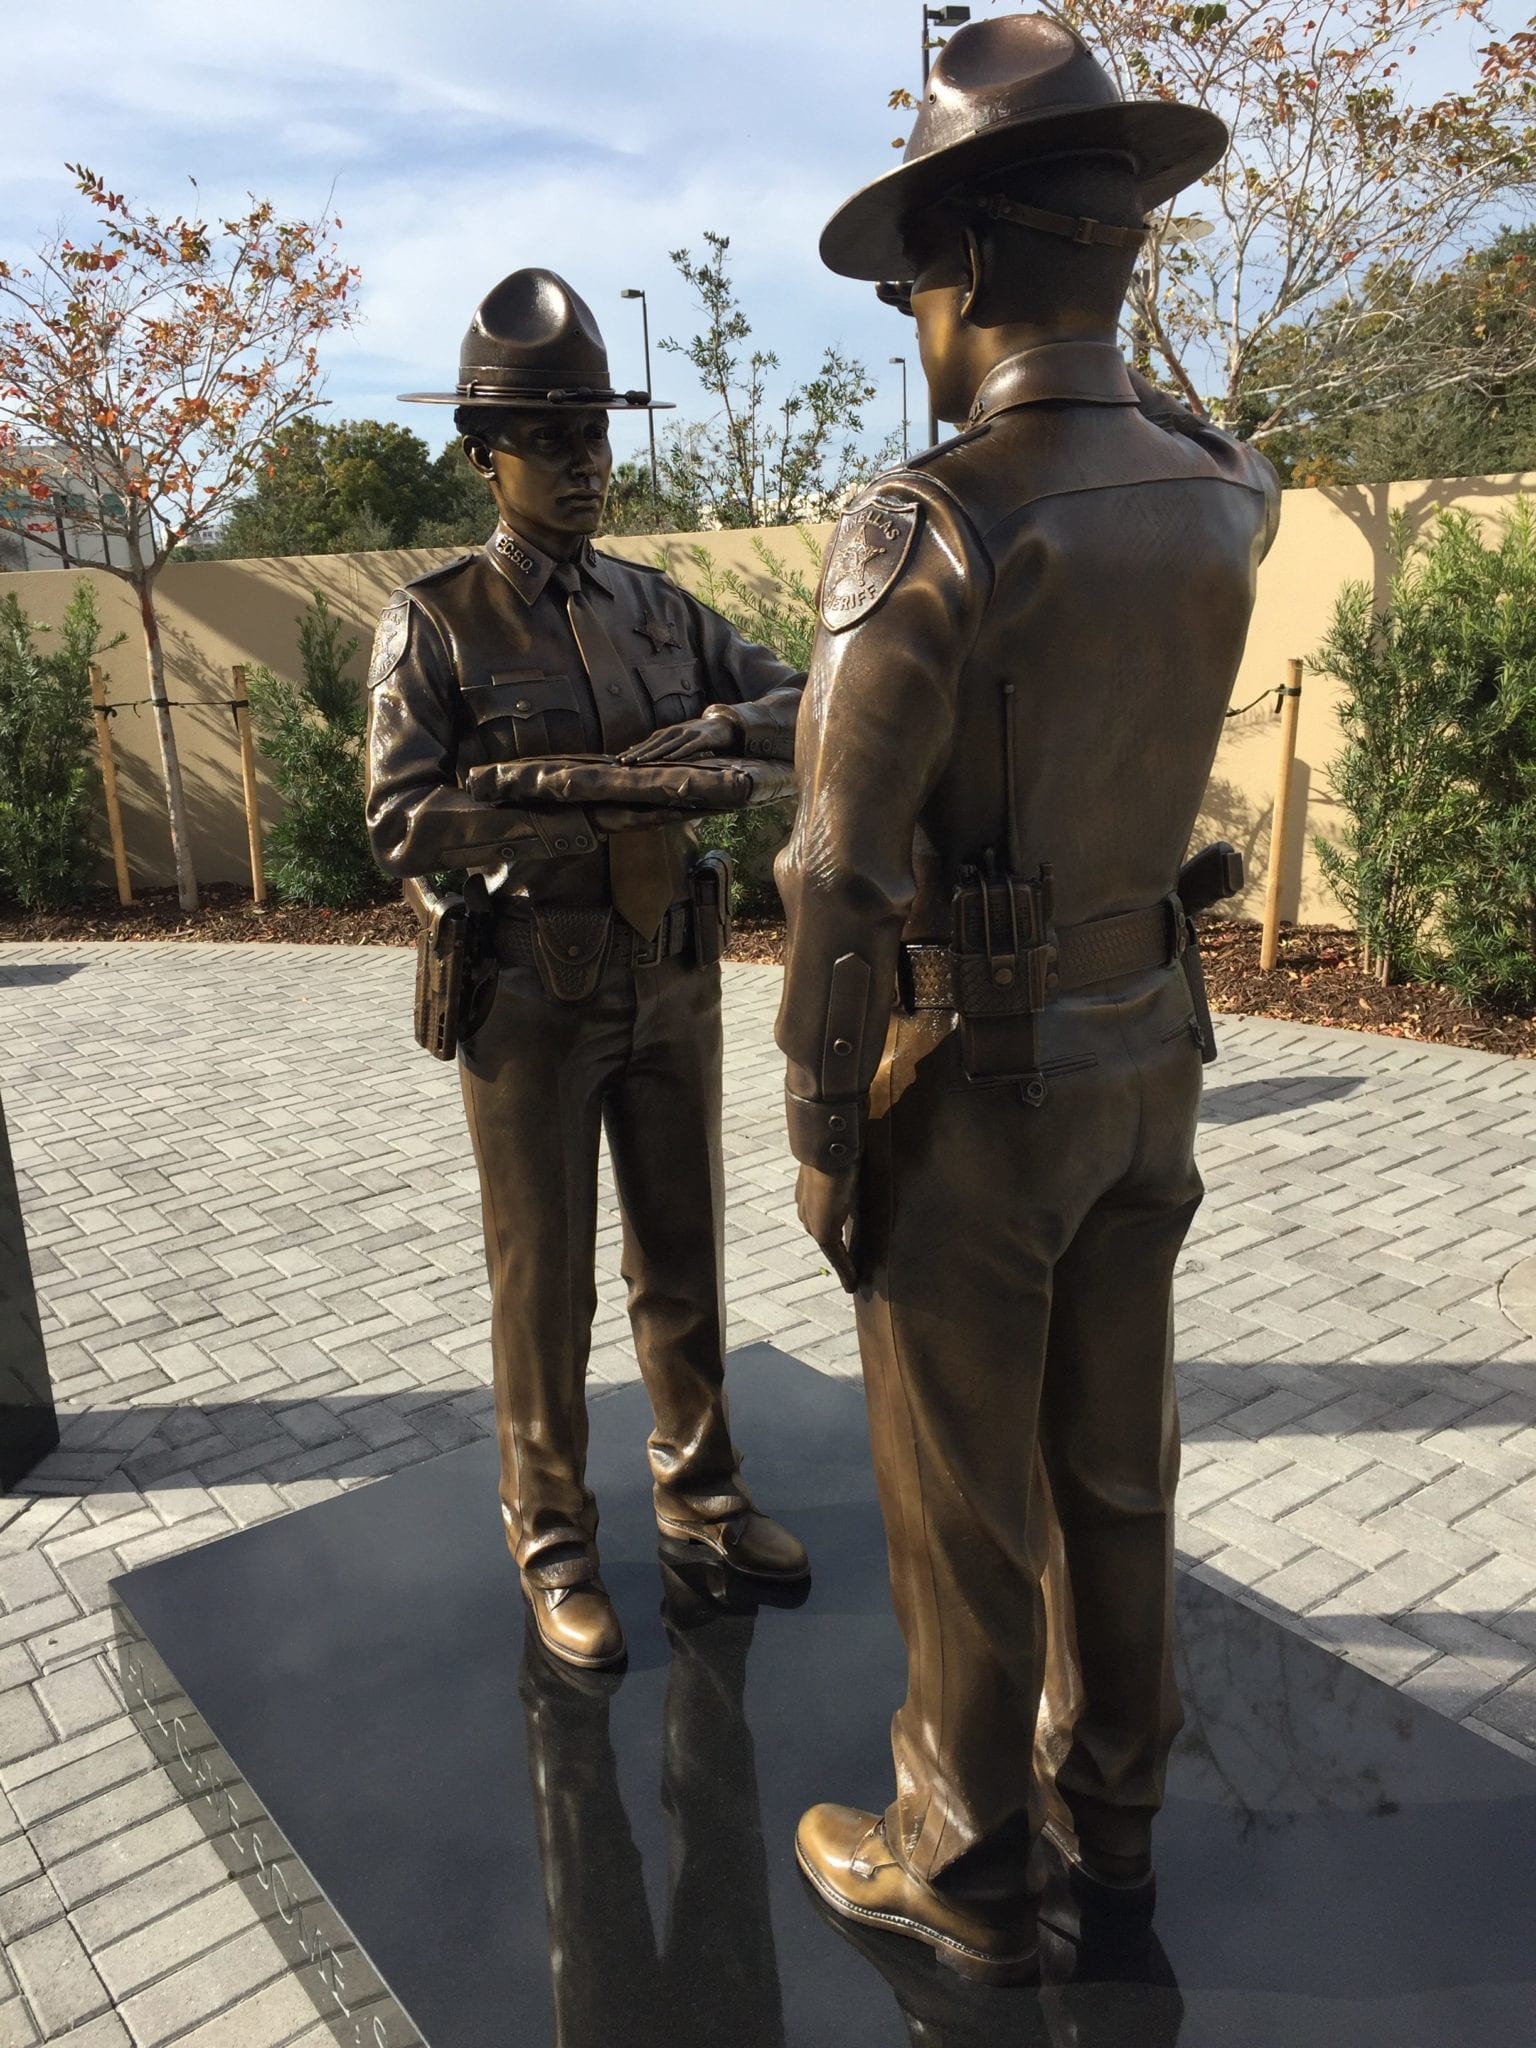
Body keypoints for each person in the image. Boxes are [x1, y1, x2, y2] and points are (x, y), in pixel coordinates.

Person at [779, 15, 1280, 1982]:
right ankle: (1118, 1820)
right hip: (1151, 1053)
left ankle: (965, 1851)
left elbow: (836, 873)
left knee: (965, 1492)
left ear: (966, 261)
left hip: (972, 1082)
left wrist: (830, 1133)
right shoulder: (1222, 489)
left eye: (914, 270)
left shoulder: (931, 524)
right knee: (1117, 1467)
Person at [365, 269, 808, 1672]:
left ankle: (704, 1491)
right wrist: (586, 795)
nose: (582, 465)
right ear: (485, 454)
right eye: (549, 441)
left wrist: (732, 718)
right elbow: (399, 815)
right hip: (531, 992)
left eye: (595, 436)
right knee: (541, 1277)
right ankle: (551, 1535)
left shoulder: (666, 614)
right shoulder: (435, 623)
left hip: (673, 975)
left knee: (683, 1255)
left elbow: (819, 707)